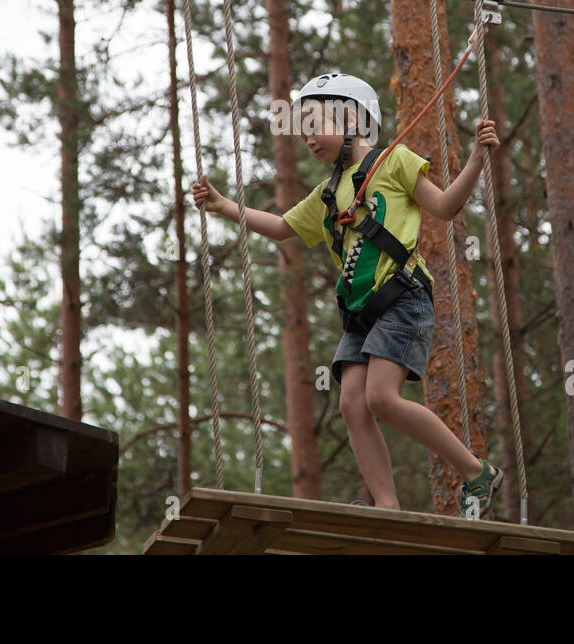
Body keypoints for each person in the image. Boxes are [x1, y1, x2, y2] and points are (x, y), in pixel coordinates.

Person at [191, 72, 504, 518]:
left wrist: (475, 158)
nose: (309, 140)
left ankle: (477, 471)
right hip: (360, 313)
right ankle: (387, 503)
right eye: (302, 133)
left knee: (380, 397)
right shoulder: (329, 193)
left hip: (402, 298)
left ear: (353, 118)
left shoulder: (393, 162)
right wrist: (225, 207)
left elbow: (446, 206)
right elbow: (282, 228)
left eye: (315, 126)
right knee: (352, 402)